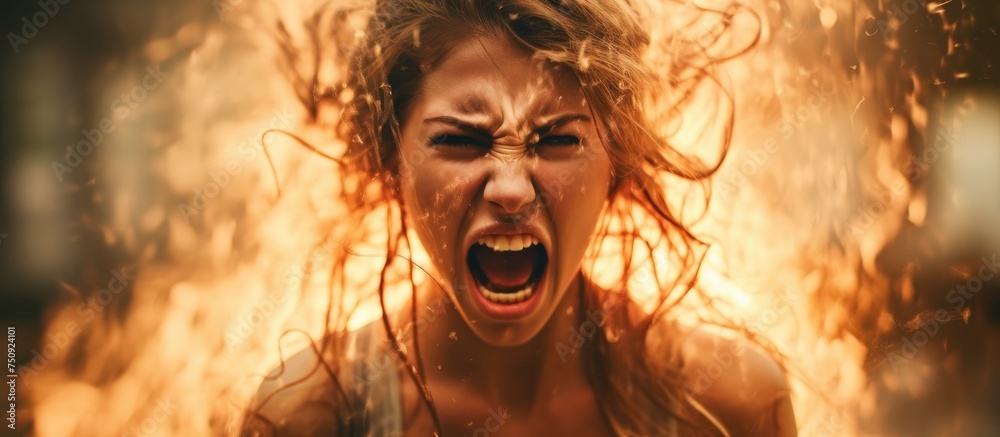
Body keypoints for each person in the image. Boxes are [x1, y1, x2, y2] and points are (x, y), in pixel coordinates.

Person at [244, 0, 796, 435]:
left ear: (619, 167)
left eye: (557, 138)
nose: (511, 190)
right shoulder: (311, 417)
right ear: (393, 163)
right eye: (461, 140)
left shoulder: (724, 407)